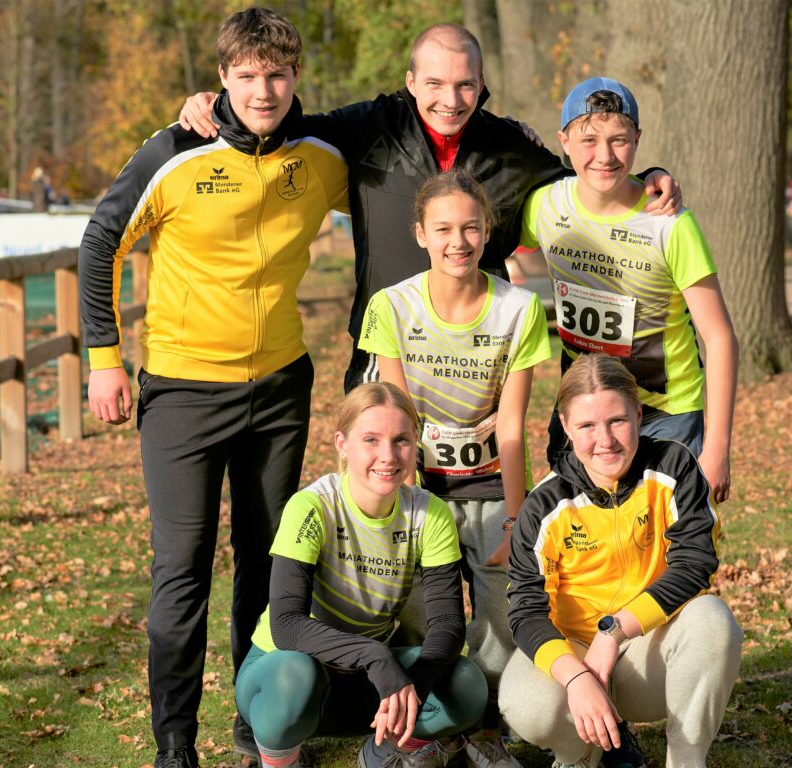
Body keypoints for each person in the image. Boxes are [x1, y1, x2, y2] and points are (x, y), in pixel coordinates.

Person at [76, 9, 348, 768]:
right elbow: (100, 239)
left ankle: (256, 716)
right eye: (249, 76)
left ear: (296, 76)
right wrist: (103, 358)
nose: (265, 90)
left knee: (267, 561)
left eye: (279, 75)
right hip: (184, 392)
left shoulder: (322, 154)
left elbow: (404, 187)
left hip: (280, 389)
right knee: (182, 566)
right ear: (223, 77)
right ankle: (175, 743)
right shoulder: (175, 150)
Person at [176, 24, 683, 399]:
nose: (451, 99)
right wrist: (217, 106)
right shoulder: (369, 127)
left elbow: (589, 183)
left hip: (478, 359)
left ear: (481, 82)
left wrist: (649, 177)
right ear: (411, 81)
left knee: (470, 506)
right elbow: (279, 121)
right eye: (436, 84)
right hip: (384, 349)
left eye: (465, 85)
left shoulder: (511, 148)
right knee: (378, 500)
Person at [357, 170, 551, 763]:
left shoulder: (519, 308)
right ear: (420, 233)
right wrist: (404, 513)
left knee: (498, 611)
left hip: (493, 485)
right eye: (442, 228)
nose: (457, 241)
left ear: (488, 231)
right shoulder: (391, 305)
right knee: (420, 608)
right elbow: (397, 421)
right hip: (421, 488)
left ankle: (489, 728)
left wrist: (518, 520)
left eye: (470, 227)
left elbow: (514, 425)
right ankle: (426, 728)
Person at [501, 354, 742, 768]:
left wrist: (612, 633)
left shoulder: (675, 466)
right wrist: (575, 677)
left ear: (638, 413)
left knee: (712, 620)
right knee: (527, 703)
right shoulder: (543, 505)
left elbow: (694, 564)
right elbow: (525, 612)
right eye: (587, 426)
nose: (605, 440)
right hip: (574, 659)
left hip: (647, 653)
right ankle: (580, 755)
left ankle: (685, 760)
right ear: (565, 426)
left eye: (617, 421)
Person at [235, 382, 488, 768]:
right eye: (371, 439)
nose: (387, 456)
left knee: (467, 686)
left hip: (369, 685)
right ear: (342, 444)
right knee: (294, 674)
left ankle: (386, 749)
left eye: (401, 440)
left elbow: (448, 626)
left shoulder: (429, 514)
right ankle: (281, 758)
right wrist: (374, 655)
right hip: (286, 673)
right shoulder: (311, 507)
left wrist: (409, 688)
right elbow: (286, 626)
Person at [520, 77, 737, 505]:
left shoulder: (670, 223)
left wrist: (717, 448)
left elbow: (720, 337)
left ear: (638, 139)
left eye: (619, 140)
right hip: (586, 406)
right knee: (582, 546)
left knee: (665, 553)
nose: (604, 155)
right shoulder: (545, 206)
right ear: (563, 141)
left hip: (666, 413)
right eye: (588, 140)